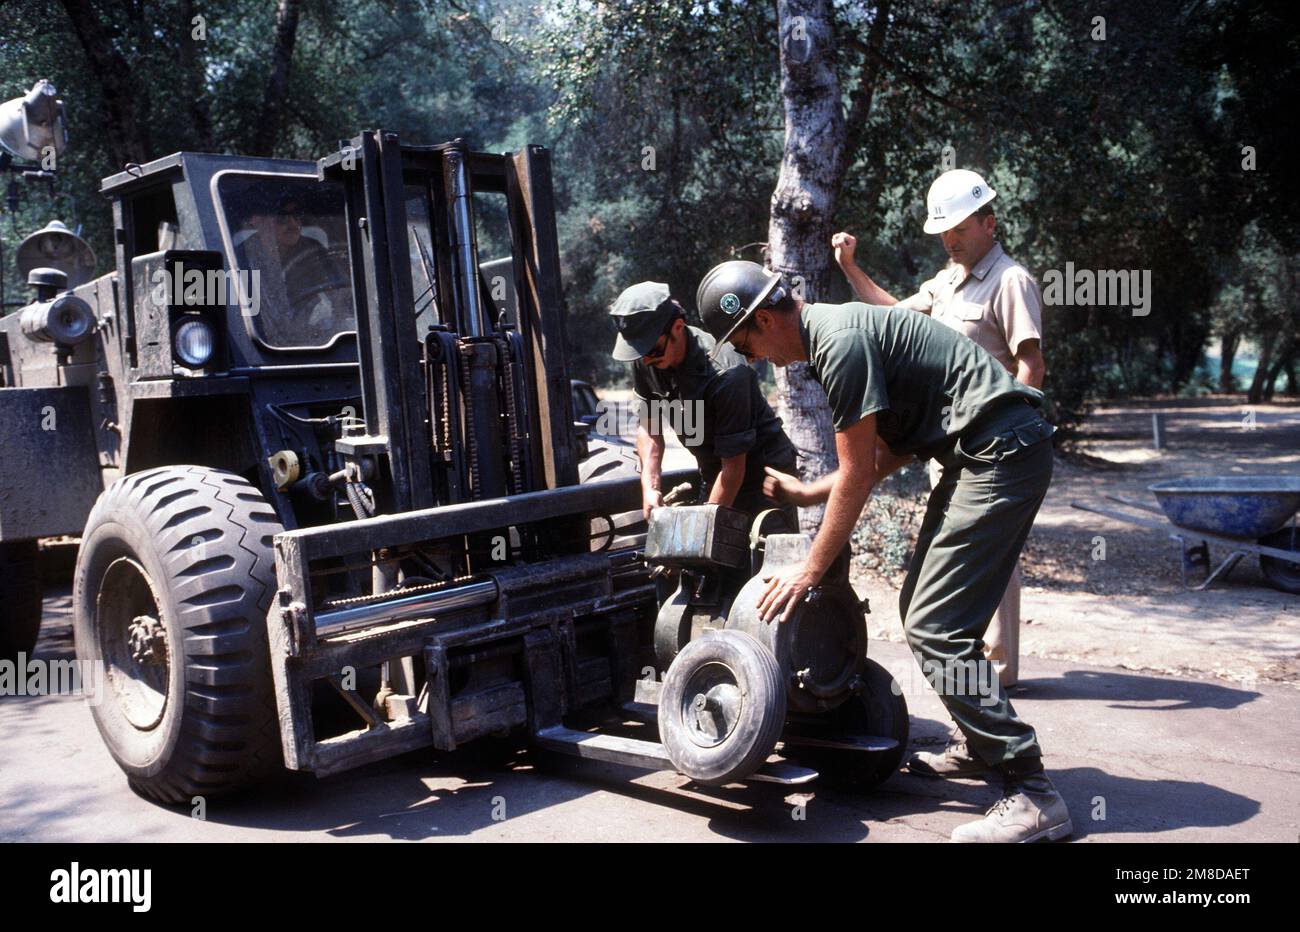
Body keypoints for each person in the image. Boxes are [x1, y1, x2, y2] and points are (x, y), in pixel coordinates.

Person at [696, 259, 1071, 843]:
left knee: (936, 627)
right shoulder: (838, 334)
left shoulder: (839, 343)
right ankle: (985, 744)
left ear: (766, 319)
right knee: (926, 607)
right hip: (987, 453)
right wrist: (805, 490)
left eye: (745, 342)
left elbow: (857, 478)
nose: (751, 358)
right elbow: (880, 457)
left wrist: (810, 570)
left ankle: (1030, 792)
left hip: (1001, 454)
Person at [832, 169, 1044, 698]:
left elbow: (1031, 365)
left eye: (960, 229)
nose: (951, 239)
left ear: (988, 223)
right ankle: (963, 662)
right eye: (944, 231)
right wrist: (851, 269)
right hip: (947, 447)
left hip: (994, 445)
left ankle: (997, 672)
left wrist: (1013, 428)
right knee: (960, 554)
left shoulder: (1010, 281)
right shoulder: (946, 281)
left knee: (991, 556)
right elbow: (893, 318)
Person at [608, 280, 798, 529]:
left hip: (764, 477)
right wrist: (650, 487)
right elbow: (649, 427)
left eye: (652, 350)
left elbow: (733, 468)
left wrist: (705, 528)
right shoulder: (647, 357)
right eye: (638, 352)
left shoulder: (728, 373)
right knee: (713, 560)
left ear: (678, 328)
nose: (645, 359)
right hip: (715, 471)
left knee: (761, 555)